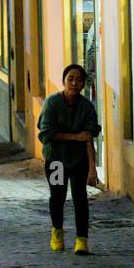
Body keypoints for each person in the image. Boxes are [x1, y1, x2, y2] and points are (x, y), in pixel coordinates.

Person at [38, 63, 101, 255]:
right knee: (58, 196)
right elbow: (47, 133)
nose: (74, 83)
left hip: (78, 162)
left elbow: (89, 137)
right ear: (64, 81)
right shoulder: (52, 103)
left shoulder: (86, 107)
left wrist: (92, 168)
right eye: (70, 79)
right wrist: (75, 137)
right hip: (57, 160)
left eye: (79, 80)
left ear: (83, 84)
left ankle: (82, 239)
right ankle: (57, 232)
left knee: (80, 197)